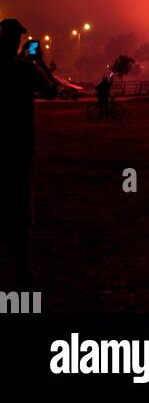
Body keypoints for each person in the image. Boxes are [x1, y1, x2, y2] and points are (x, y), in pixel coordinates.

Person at [0, 19, 58, 288]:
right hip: (20, 146)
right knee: (20, 207)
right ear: (18, 41)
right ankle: (22, 266)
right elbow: (51, 92)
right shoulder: (25, 69)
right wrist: (39, 63)